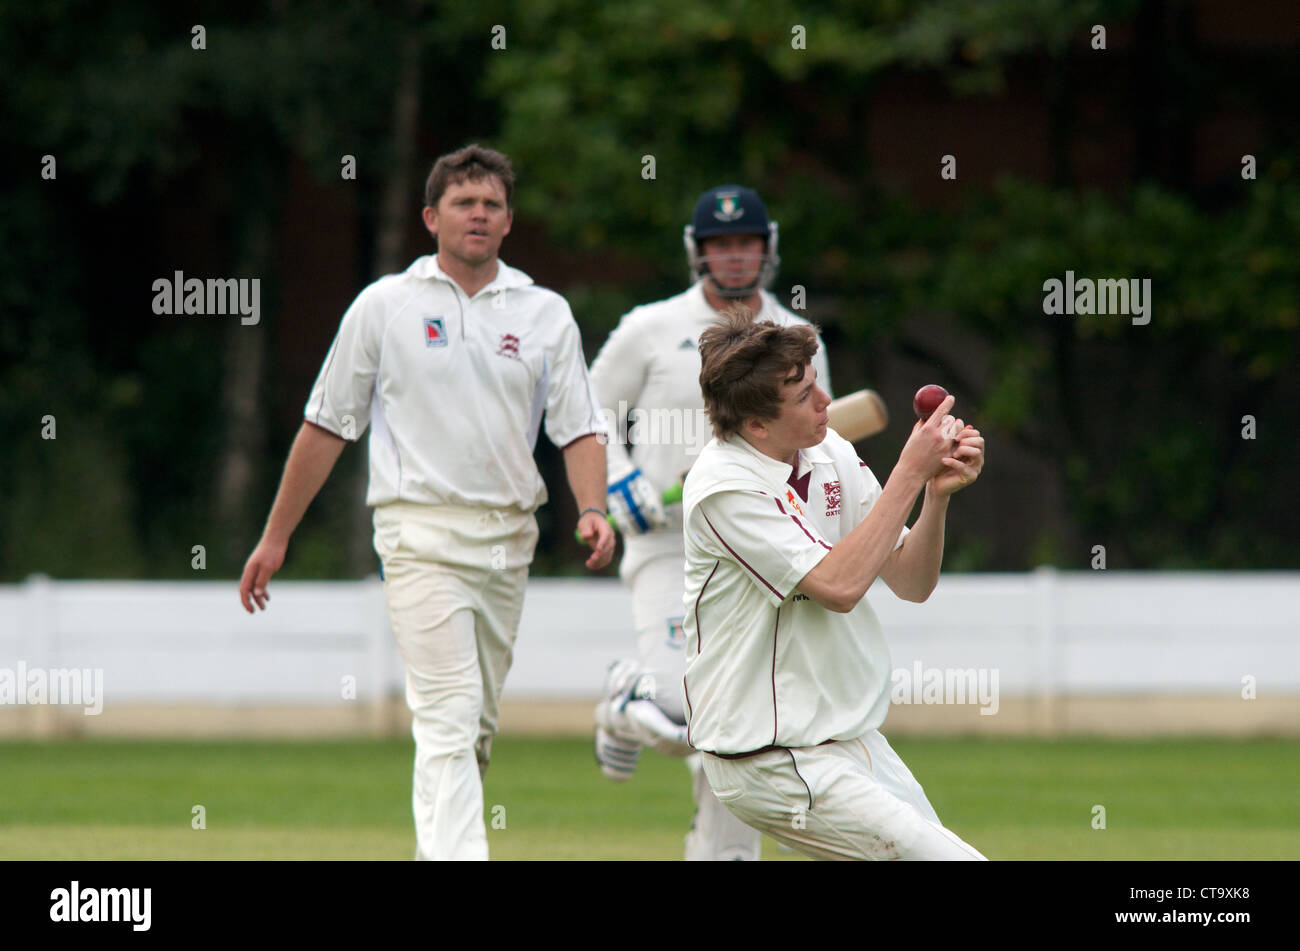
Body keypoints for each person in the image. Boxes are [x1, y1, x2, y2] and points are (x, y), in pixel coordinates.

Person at [237, 144, 615, 861]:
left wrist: (590, 506)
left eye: (492, 204)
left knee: (473, 726)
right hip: (417, 533)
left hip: (508, 538)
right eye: (465, 202)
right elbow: (327, 424)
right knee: (445, 713)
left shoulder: (544, 313)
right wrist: (276, 534)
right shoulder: (386, 305)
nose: (479, 214)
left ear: (508, 223)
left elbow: (580, 427)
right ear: (430, 217)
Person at [681, 307, 988, 861]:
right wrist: (909, 472)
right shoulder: (724, 488)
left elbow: (910, 581)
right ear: (755, 426)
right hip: (769, 758)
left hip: (853, 741)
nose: (825, 402)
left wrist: (934, 495)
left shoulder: (830, 453)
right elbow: (840, 587)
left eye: (815, 383)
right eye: (803, 396)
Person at [587, 185, 831, 860]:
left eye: (745, 242)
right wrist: (620, 478)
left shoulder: (796, 337)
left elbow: (817, 437)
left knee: (745, 733)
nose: (733, 256)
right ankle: (626, 697)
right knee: (677, 711)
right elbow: (585, 407)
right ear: (698, 251)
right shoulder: (650, 326)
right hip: (668, 544)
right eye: (721, 244)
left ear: (767, 247)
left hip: (758, 554)